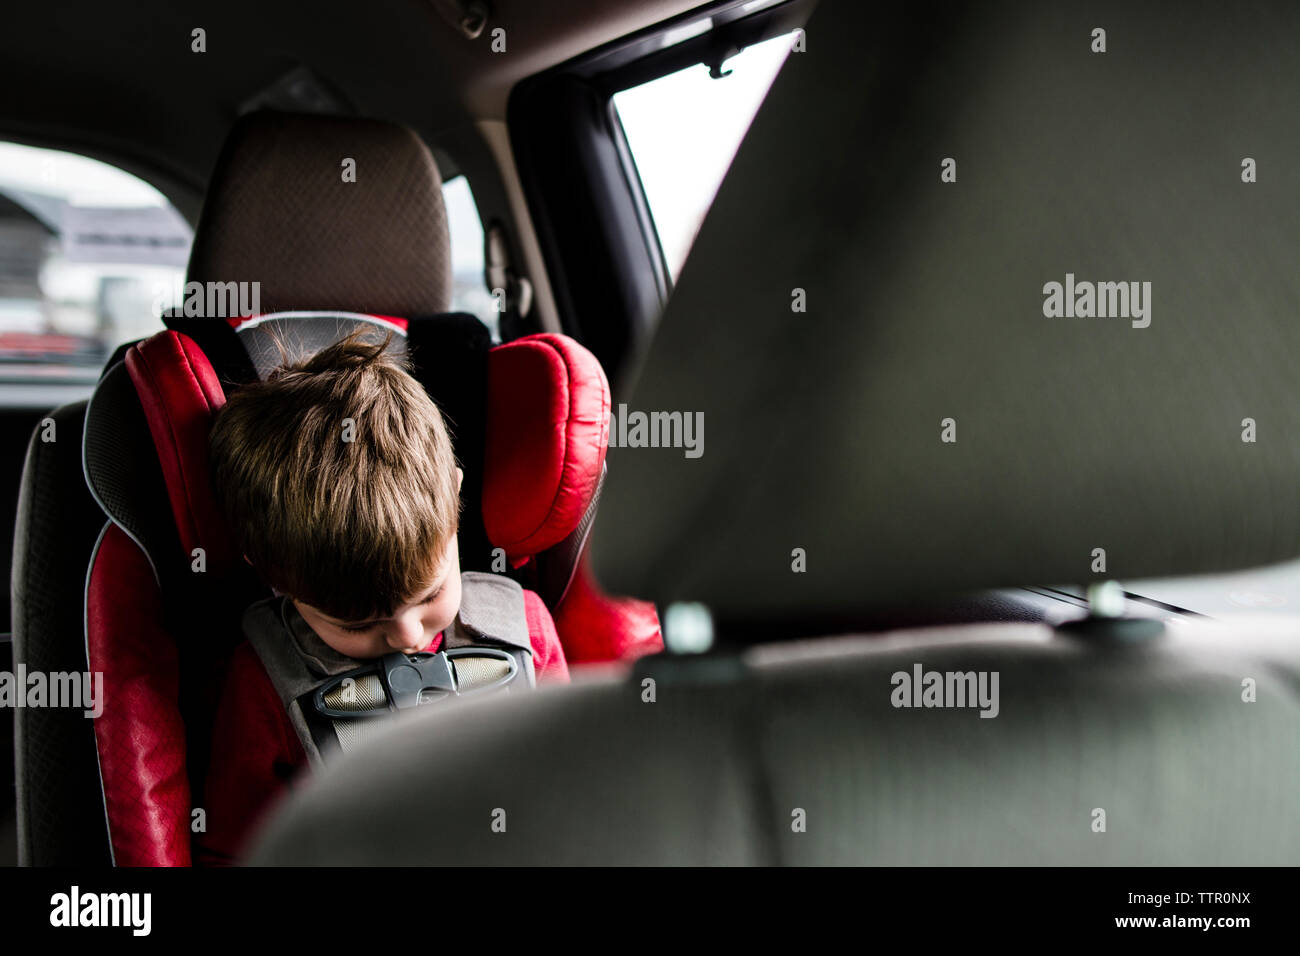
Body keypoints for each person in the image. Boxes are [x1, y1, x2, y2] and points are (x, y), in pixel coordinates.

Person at [196, 330, 568, 864]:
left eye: (431, 594)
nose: (408, 635)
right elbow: (235, 846)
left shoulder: (520, 630)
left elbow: (574, 775)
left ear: (456, 500)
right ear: (274, 577)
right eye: (354, 625)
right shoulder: (267, 681)